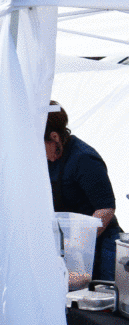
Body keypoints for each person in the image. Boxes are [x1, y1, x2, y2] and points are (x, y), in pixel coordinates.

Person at [45, 101, 122, 280]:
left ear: (55, 137)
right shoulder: (46, 162)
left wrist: (79, 244)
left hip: (102, 247)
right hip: (68, 247)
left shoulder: (83, 158)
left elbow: (106, 208)